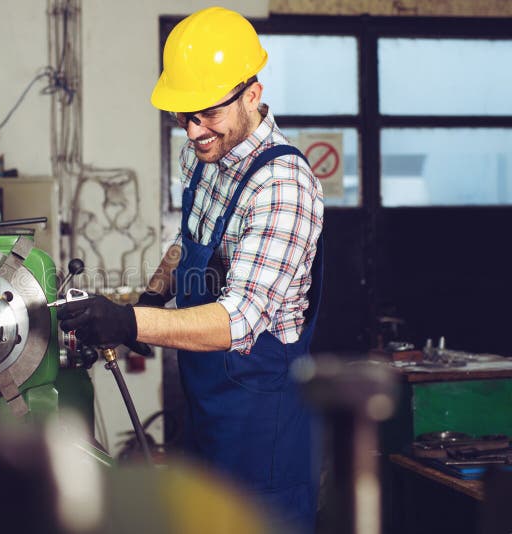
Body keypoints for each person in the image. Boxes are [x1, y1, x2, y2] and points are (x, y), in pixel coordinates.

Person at [58, 6, 324, 531]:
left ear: (252, 94)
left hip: (262, 426)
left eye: (207, 114)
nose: (194, 130)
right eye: (183, 116)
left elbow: (238, 320)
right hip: (206, 410)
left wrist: (128, 322)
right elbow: (189, 240)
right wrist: (152, 299)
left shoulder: (283, 187)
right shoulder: (205, 157)